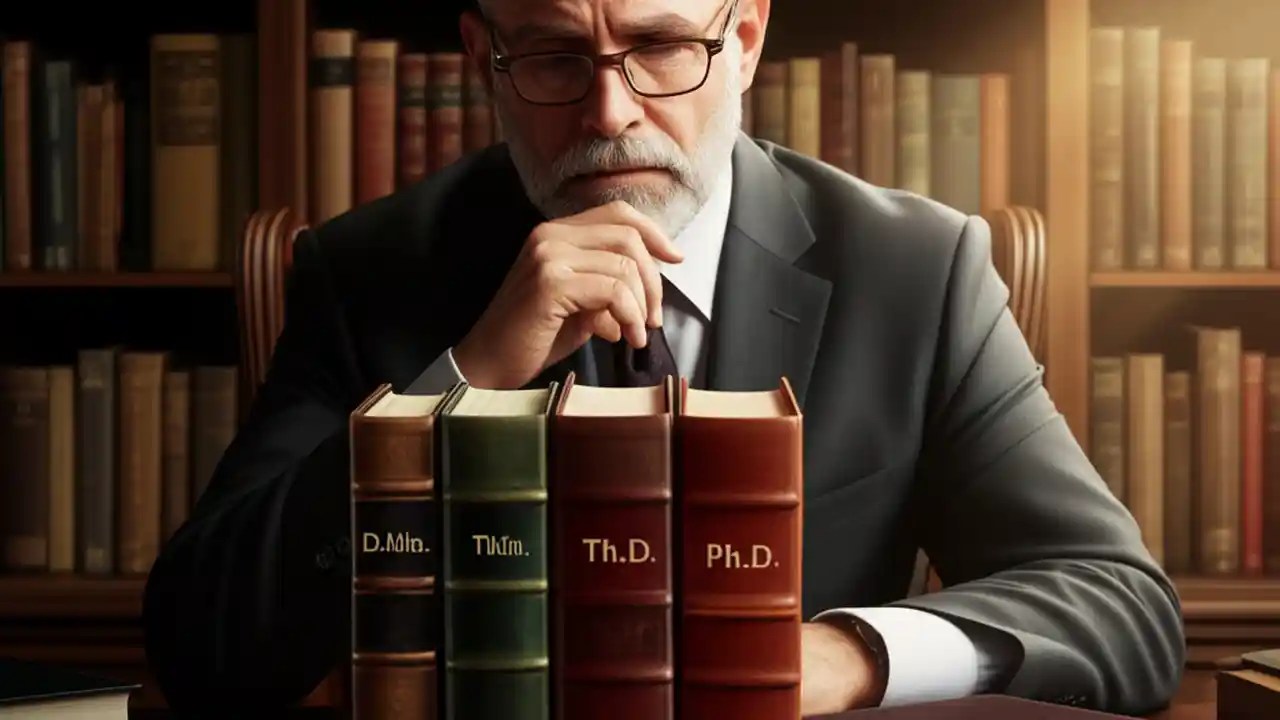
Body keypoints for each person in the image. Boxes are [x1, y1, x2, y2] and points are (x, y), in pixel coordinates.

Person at [142, 0, 1186, 715]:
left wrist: (842, 655)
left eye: (659, 47)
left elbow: (1118, 610)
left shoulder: (915, 268)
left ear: (744, 38)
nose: (608, 113)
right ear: (482, 58)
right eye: (553, 57)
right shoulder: (365, 268)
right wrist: (464, 383)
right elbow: (202, 652)